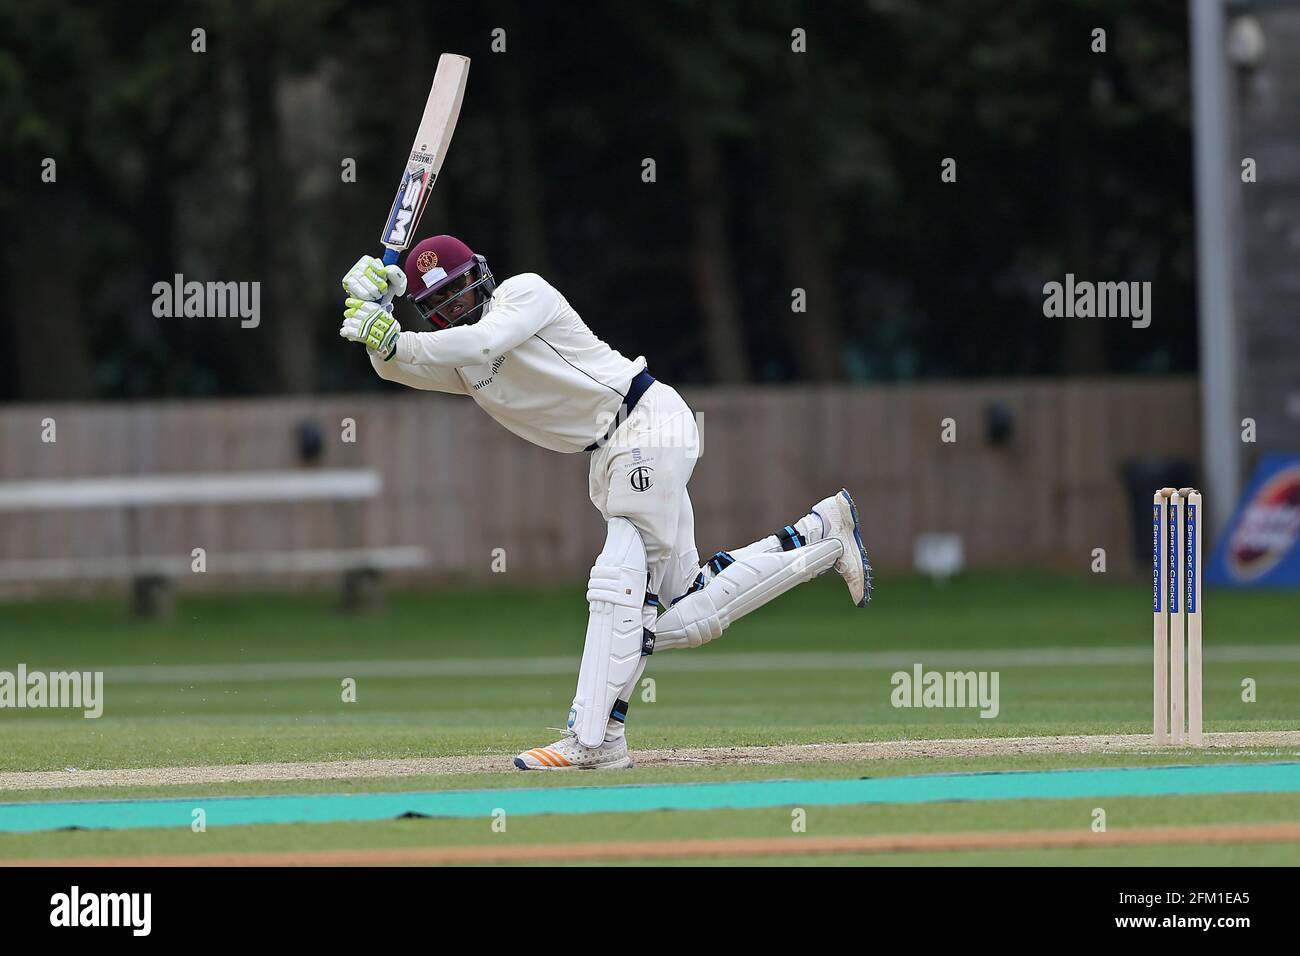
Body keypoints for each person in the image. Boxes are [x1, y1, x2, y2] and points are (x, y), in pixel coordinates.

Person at [339, 235, 871, 770]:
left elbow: (479, 342)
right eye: (440, 305)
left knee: (617, 574)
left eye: (459, 292)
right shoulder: (458, 359)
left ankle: (594, 738)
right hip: (610, 454)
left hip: (643, 422)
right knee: (689, 613)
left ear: (480, 273)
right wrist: (377, 316)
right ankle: (821, 535)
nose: (455, 308)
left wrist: (396, 336)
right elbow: (395, 365)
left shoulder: (524, 294)